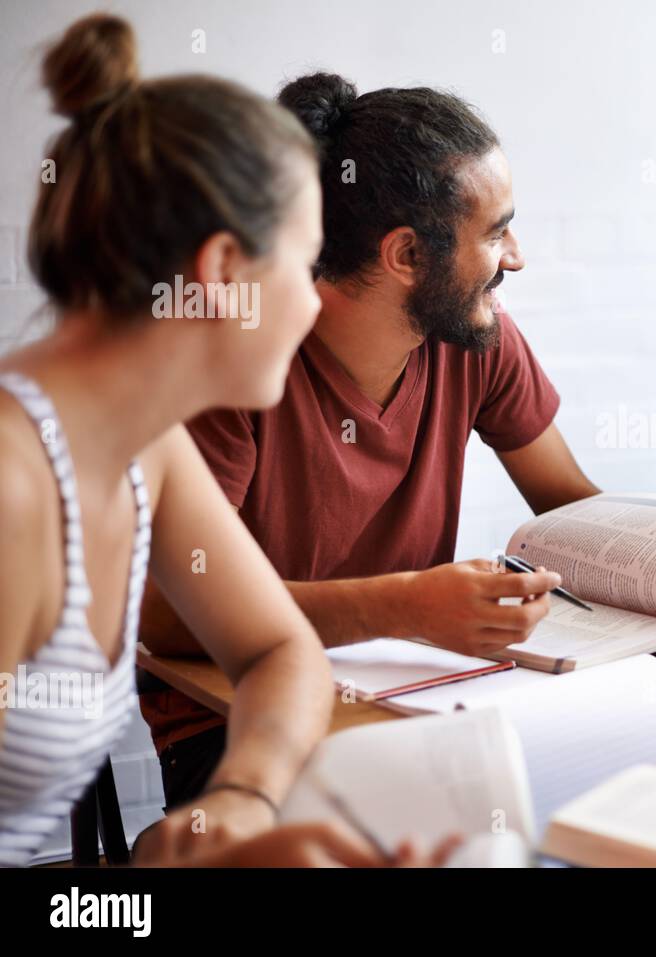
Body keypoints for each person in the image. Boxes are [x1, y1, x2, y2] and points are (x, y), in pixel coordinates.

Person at [137, 73, 656, 808]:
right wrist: (403, 605)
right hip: (234, 724)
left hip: (427, 695)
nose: (517, 257)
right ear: (407, 254)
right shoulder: (241, 365)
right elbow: (163, 613)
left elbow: (570, 505)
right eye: (496, 231)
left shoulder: (475, 339)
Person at [0, 14, 441, 867]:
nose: (315, 303)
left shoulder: (146, 452)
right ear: (223, 272)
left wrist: (239, 804)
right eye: (305, 264)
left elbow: (280, 651)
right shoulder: (13, 488)